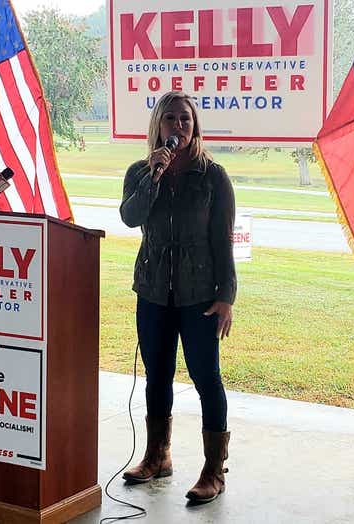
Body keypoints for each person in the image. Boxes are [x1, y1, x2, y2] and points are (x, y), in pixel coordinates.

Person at [119, 91, 237, 503]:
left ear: (195, 125)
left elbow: (222, 241)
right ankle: (158, 455)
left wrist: (227, 296)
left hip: (200, 295)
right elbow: (131, 217)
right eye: (170, 119)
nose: (178, 126)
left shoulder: (212, 176)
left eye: (185, 119)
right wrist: (153, 176)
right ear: (159, 126)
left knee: (206, 378)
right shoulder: (140, 171)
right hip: (153, 291)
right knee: (157, 376)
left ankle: (212, 468)